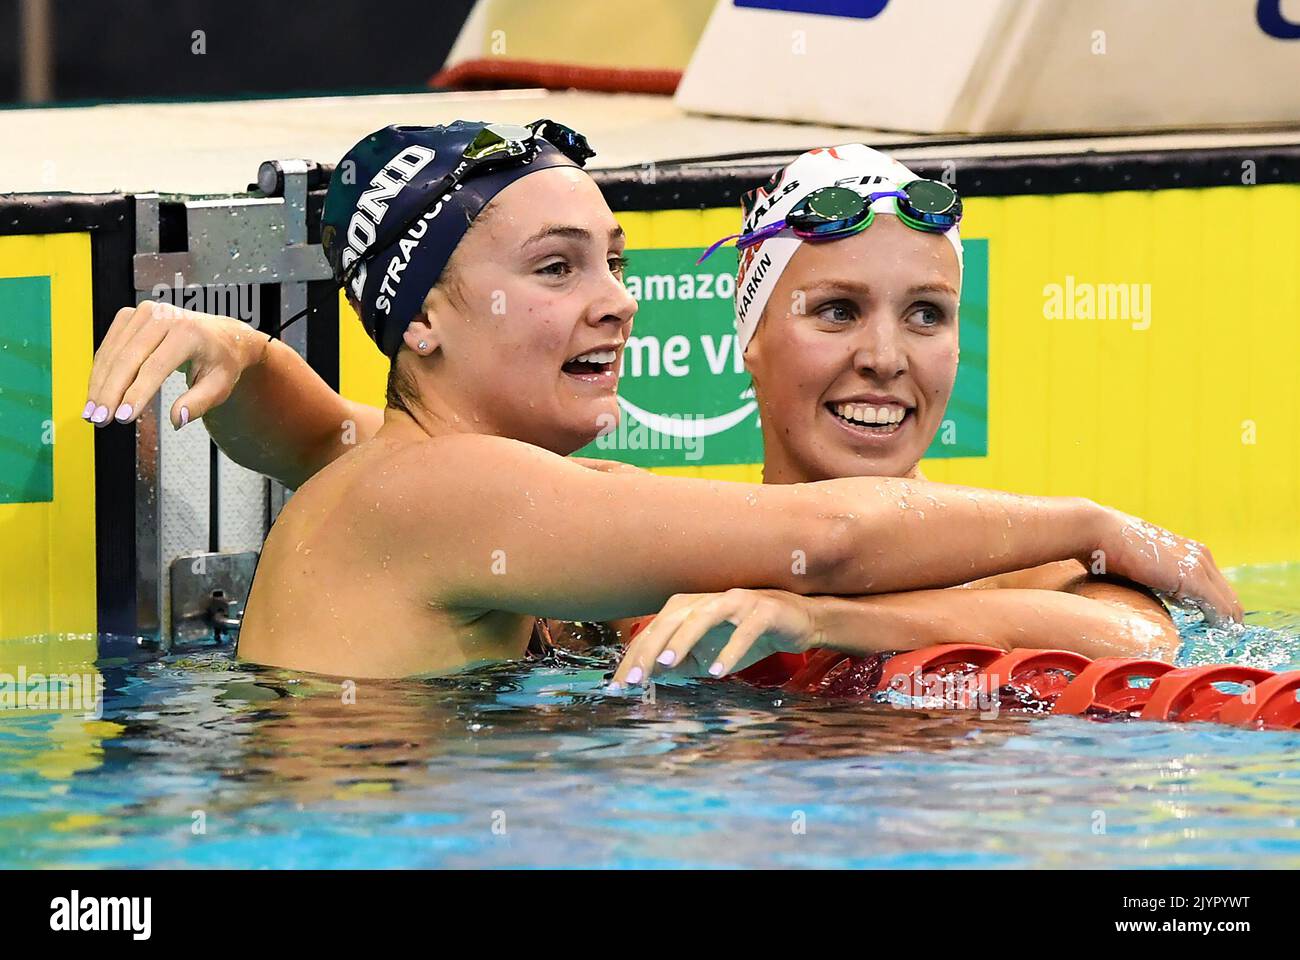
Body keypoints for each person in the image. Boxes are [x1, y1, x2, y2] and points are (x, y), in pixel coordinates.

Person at [83, 122, 1240, 679]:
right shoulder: (460, 492)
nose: (616, 305)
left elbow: (333, 428)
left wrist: (236, 349)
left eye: (616, 264)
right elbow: (827, 536)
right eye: (556, 269)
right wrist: (1097, 516)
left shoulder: (466, 484)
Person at [612, 144, 1195, 688]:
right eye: (838, 311)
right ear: (751, 338)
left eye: (925, 315)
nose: (885, 360)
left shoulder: (1031, 574)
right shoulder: (655, 572)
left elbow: (1143, 641)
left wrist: (817, 620)